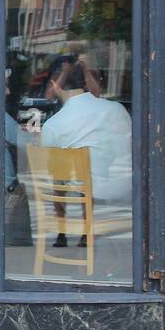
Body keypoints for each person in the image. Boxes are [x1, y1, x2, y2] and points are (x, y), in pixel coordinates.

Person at [38, 54, 133, 247]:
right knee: (82, 170)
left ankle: (63, 231)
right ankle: (84, 231)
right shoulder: (117, 109)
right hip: (127, 192)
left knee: (60, 170)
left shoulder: (54, 124)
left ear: (57, 86)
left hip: (87, 186)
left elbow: (45, 160)